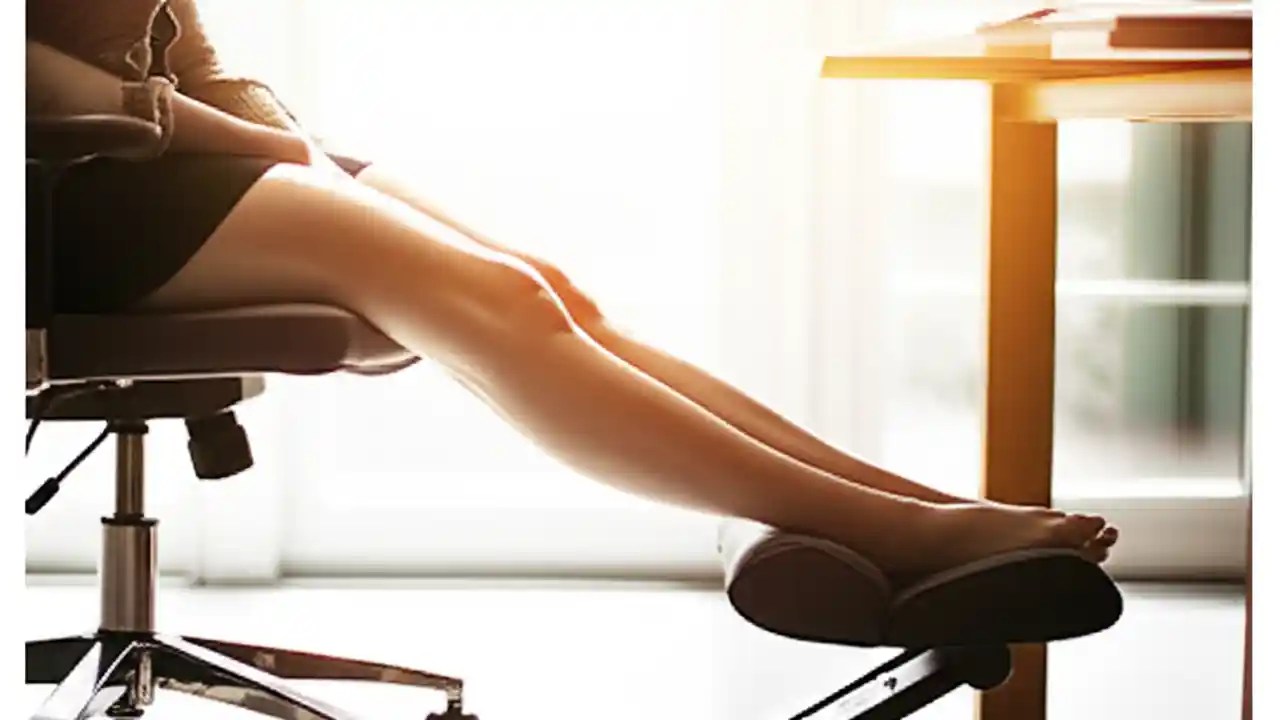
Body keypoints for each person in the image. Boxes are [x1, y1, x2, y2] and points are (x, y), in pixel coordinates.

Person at [26, 0, 1116, 581]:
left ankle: (908, 504)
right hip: (67, 178)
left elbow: (174, 40)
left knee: (550, 291)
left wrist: (289, 143)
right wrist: (260, 150)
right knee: (500, 303)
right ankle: (892, 536)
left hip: (172, 141)